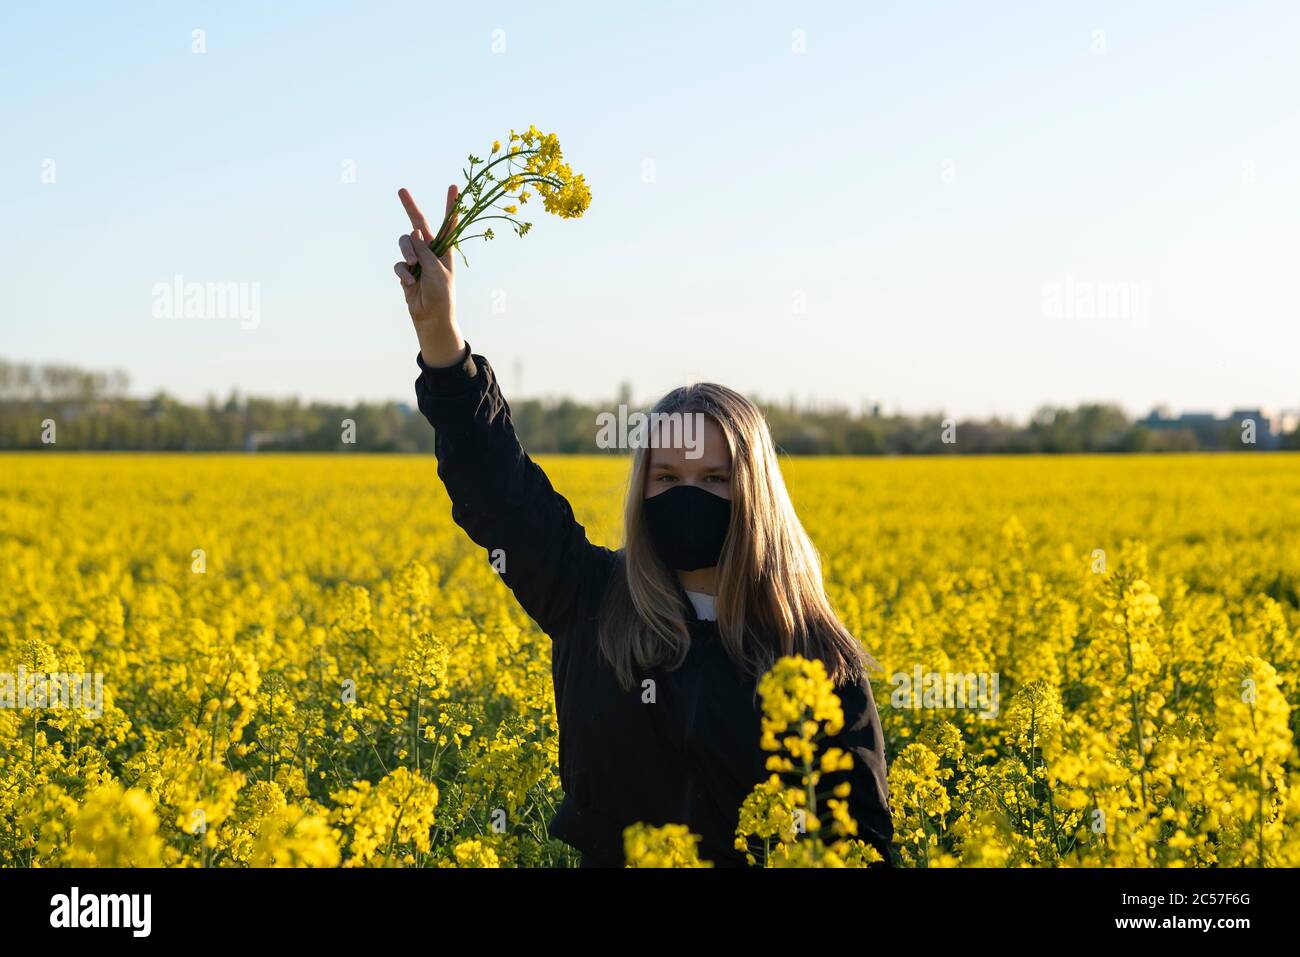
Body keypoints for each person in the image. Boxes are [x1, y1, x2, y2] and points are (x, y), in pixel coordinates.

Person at [393, 185, 892, 867]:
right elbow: (496, 486)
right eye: (667, 479)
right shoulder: (590, 598)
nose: (689, 497)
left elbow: (863, 845)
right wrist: (441, 340)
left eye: (715, 480)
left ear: (755, 495)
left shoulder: (816, 657)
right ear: (641, 488)